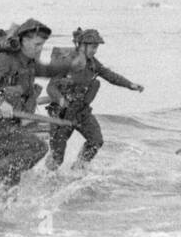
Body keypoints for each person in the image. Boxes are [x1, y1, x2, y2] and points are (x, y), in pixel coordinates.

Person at [0, 19, 77, 185]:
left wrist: (71, 66)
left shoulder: (28, 62)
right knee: (37, 147)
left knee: (10, 182)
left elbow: (46, 70)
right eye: (37, 44)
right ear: (24, 41)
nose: (39, 49)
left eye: (42, 45)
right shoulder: (5, 59)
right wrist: (0, 102)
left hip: (11, 124)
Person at [45, 28, 144, 169]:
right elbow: (51, 88)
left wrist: (130, 85)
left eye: (96, 47)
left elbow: (110, 75)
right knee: (56, 159)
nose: (95, 50)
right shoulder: (66, 62)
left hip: (81, 112)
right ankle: (44, 180)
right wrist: (60, 99)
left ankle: (78, 168)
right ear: (81, 45)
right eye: (92, 47)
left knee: (96, 141)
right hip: (62, 115)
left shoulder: (92, 63)